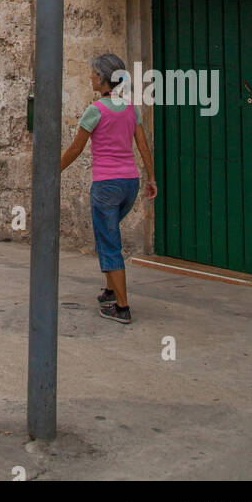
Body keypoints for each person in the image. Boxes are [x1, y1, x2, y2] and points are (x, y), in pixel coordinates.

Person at [60, 52, 158, 324]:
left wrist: (50, 171)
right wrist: (151, 179)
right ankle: (110, 289)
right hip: (130, 184)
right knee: (108, 235)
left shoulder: (95, 110)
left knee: (110, 242)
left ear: (102, 78)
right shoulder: (130, 109)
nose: (90, 76)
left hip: (106, 186)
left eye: (93, 73)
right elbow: (143, 146)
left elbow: (75, 149)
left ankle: (122, 307)